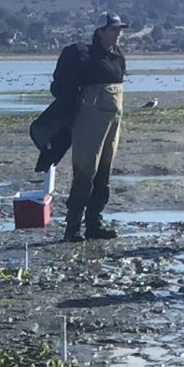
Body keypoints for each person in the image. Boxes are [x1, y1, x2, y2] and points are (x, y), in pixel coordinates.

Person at [60, 14, 128, 243]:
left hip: (113, 119)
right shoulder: (86, 56)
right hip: (90, 117)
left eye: (119, 30)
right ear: (100, 31)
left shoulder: (117, 56)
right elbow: (64, 87)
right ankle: (72, 227)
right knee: (85, 170)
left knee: (104, 172)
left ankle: (94, 223)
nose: (118, 33)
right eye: (113, 30)